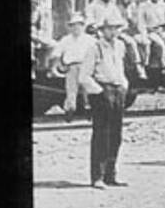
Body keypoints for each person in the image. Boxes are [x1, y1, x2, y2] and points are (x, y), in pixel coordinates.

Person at [78, 11, 130, 187]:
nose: (113, 32)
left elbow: (120, 69)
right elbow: (84, 76)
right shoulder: (95, 48)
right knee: (102, 134)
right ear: (102, 30)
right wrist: (99, 92)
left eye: (116, 28)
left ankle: (111, 174)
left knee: (116, 134)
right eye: (109, 29)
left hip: (117, 90)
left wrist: (124, 85)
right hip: (102, 90)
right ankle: (97, 177)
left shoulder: (120, 46)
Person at [50, 13, 93, 119]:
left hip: (85, 66)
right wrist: (57, 67)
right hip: (71, 66)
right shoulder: (66, 40)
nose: (76, 28)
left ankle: (89, 110)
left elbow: (97, 53)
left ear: (83, 26)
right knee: (71, 90)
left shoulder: (90, 39)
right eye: (73, 25)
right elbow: (56, 54)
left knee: (88, 89)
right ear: (70, 27)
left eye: (79, 25)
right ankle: (70, 111)